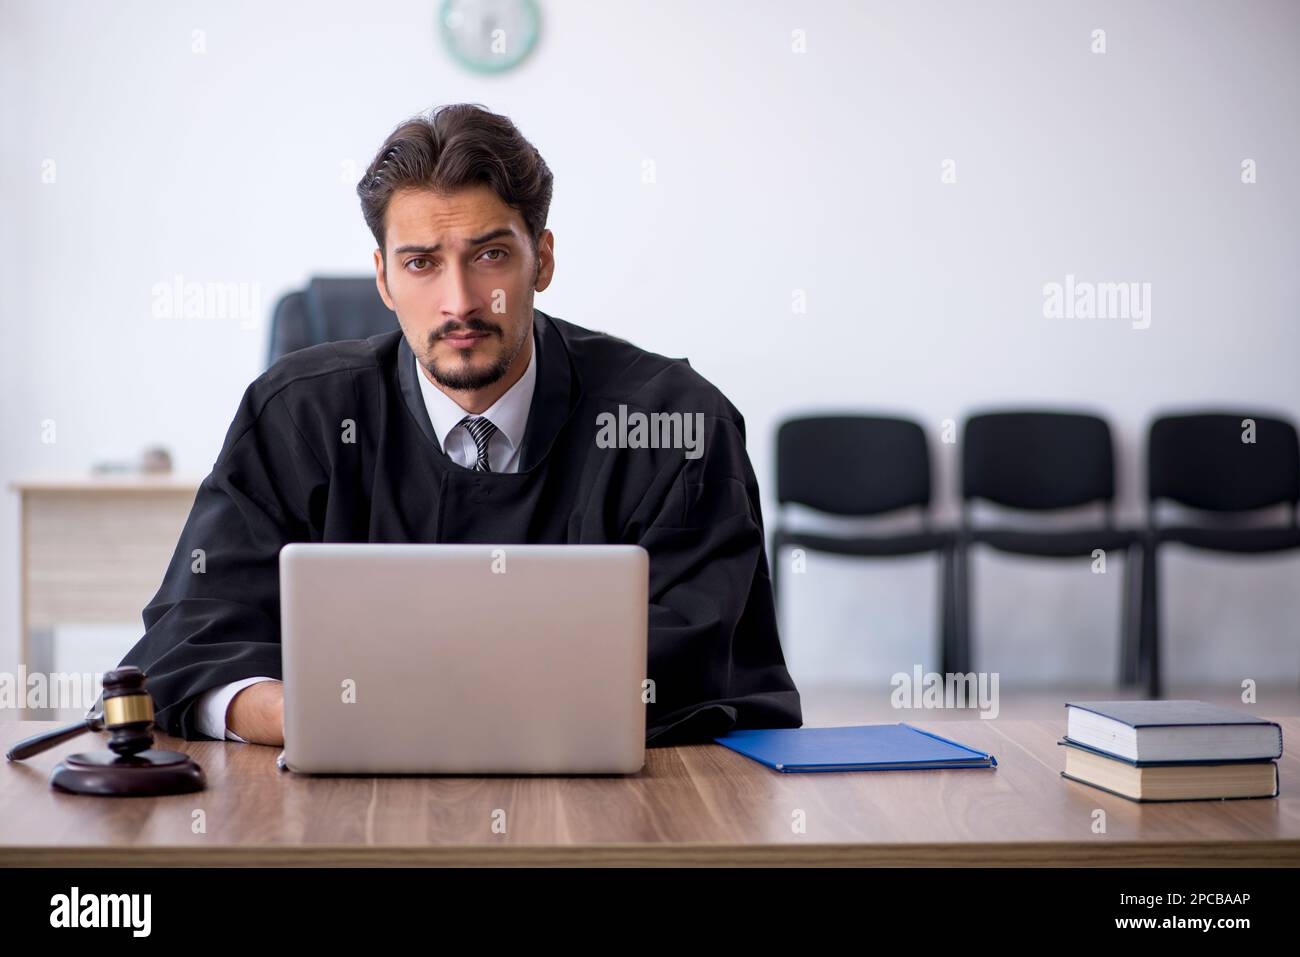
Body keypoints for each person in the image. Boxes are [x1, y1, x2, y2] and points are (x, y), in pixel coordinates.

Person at [119, 103, 802, 748]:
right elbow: (189, 634)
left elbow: (700, 657)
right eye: (422, 263)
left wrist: (416, 705)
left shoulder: (672, 422)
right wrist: (306, 716)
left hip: (620, 806)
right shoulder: (297, 417)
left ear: (545, 258)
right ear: (384, 279)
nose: (461, 302)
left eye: (490, 255)